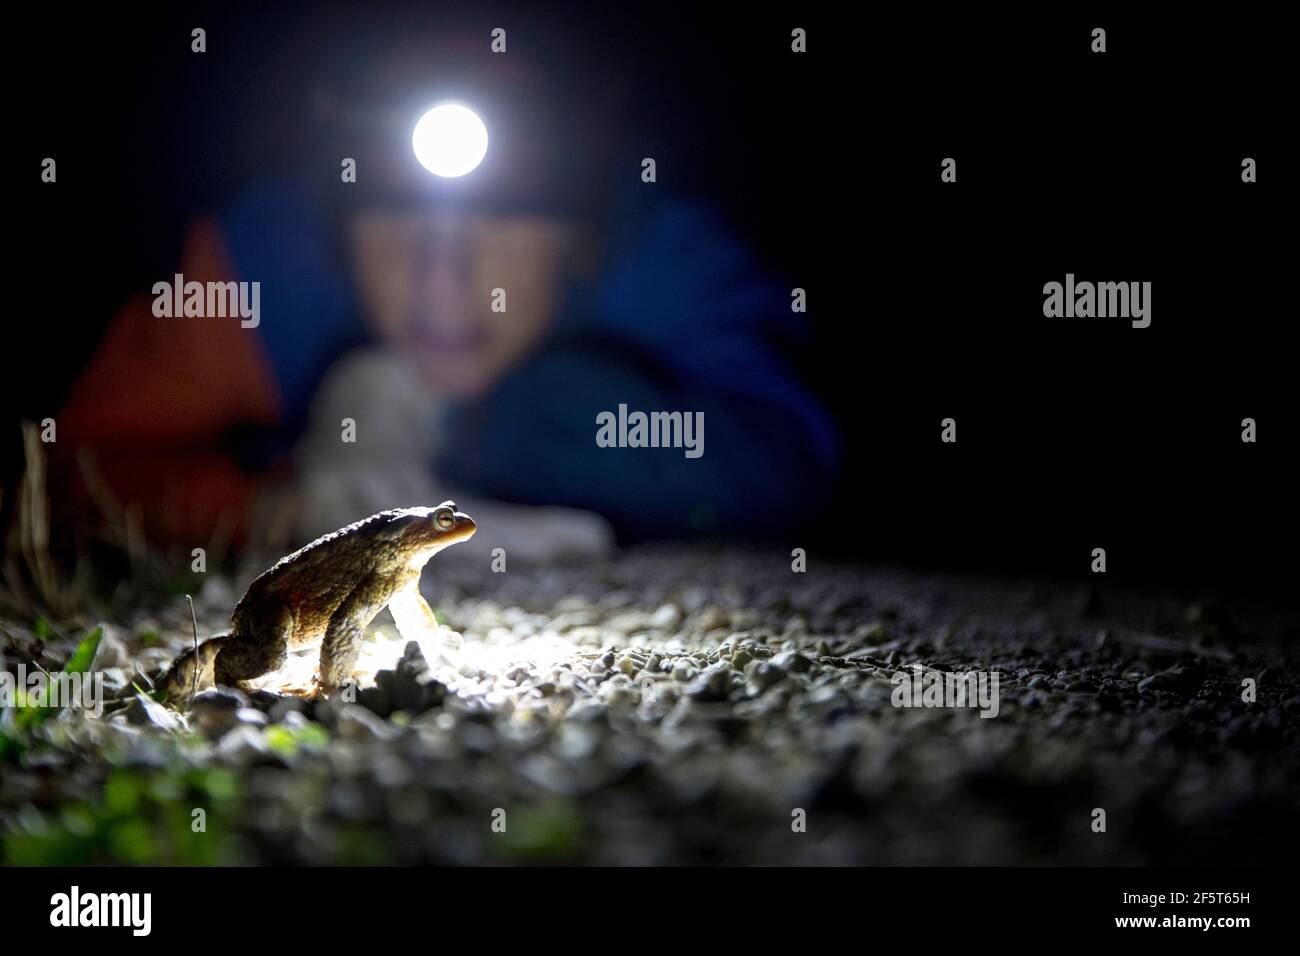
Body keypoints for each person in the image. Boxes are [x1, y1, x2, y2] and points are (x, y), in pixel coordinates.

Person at [54, 32, 837, 563]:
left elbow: (797, 463)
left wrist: (494, 426)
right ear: (337, 215)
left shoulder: (662, 257)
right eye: (394, 218)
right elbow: (70, 470)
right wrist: (272, 508)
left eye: (503, 220)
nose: (443, 282)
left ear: (580, 232)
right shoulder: (266, 264)